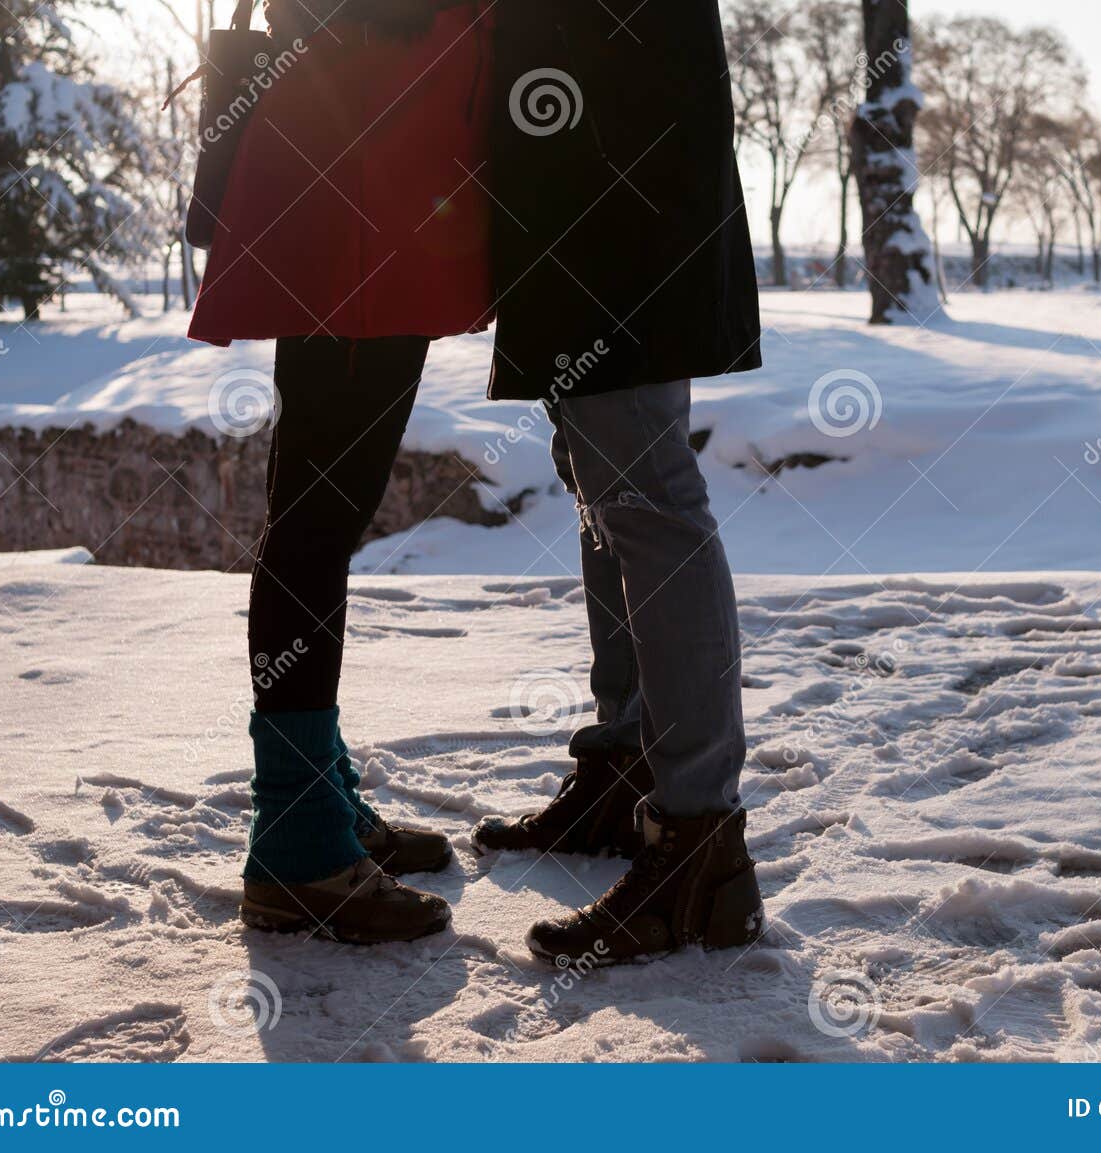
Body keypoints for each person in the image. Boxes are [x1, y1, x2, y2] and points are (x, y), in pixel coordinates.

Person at [468, 1, 766, 965]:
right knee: (605, 477)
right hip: (584, 168)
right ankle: (632, 763)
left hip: (619, 174)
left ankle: (697, 839)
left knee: (645, 494)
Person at [189, 0, 493, 944]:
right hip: (368, 189)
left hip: (365, 182)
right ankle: (299, 847)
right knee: (316, 529)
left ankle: (312, 799)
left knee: (314, 520)